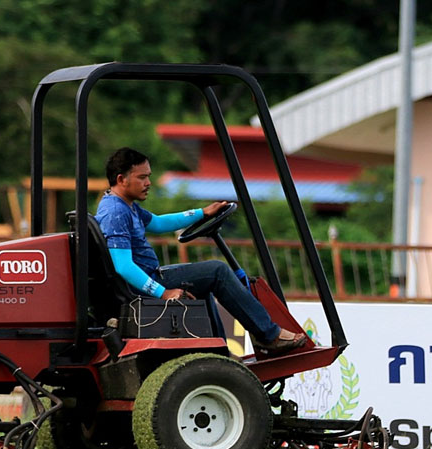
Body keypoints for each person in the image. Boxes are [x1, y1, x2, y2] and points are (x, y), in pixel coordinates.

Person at [96, 147, 306, 353]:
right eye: (142, 177)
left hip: (148, 277)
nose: (148, 183)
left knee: (204, 281)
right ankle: (268, 336)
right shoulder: (115, 211)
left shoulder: (126, 206)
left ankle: (218, 353)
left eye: (148, 177)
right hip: (138, 287)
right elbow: (123, 266)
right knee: (217, 271)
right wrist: (164, 293)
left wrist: (202, 213)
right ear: (122, 179)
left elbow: (158, 223)